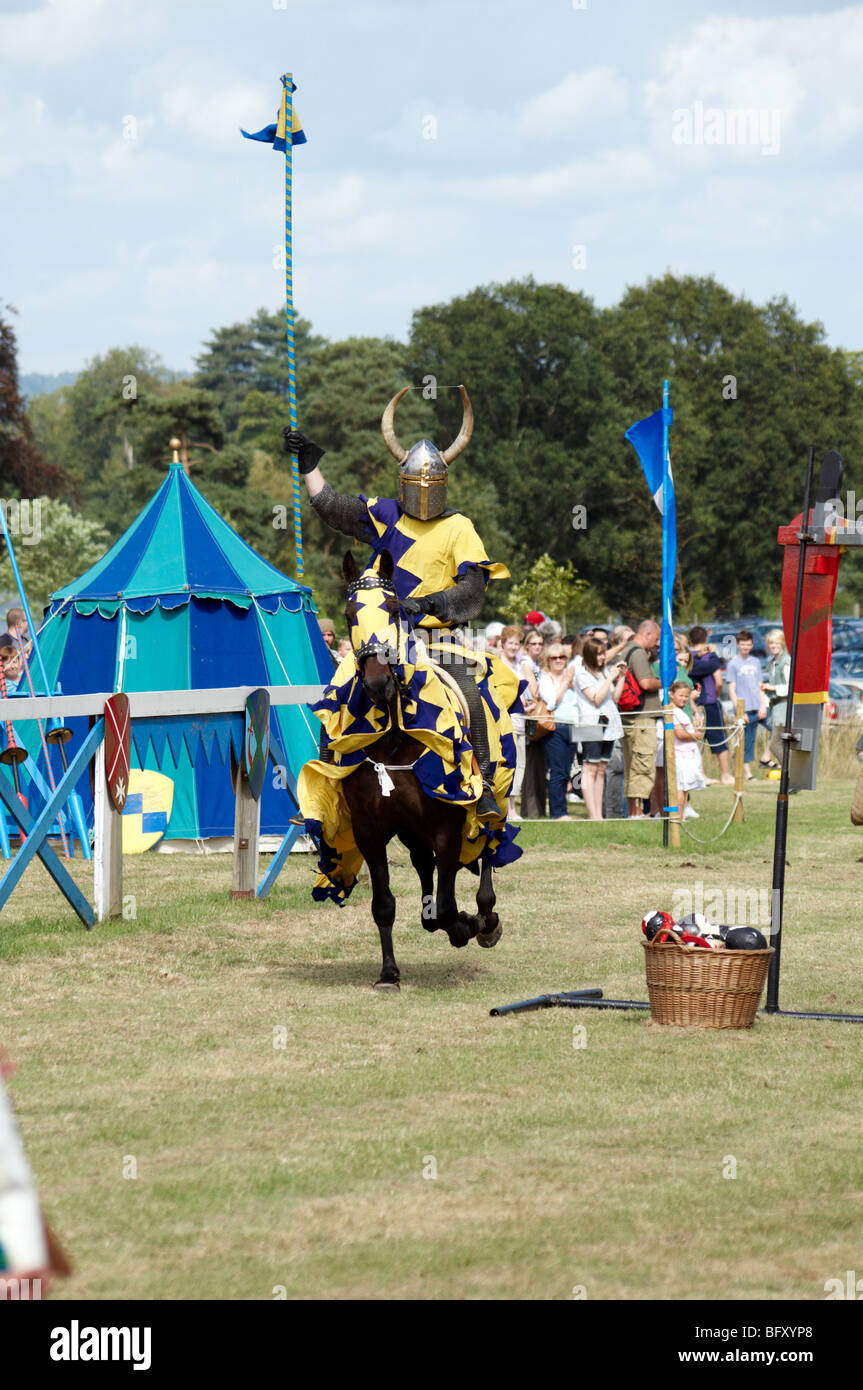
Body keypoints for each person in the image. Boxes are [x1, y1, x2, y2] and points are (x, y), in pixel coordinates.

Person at [285, 385, 509, 819]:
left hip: (436, 641)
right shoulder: (386, 514)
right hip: (384, 639)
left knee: (469, 693)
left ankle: (480, 786)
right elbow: (334, 507)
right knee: (339, 693)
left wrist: (424, 605)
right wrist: (309, 465)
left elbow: (472, 590)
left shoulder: (460, 526)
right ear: (403, 484)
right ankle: (329, 793)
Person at [573, 637, 626, 819]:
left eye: (604, 653)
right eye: (599, 654)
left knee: (602, 768)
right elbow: (595, 698)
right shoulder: (581, 674)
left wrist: (621, 678)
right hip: (589, 723)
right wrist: (610, 677)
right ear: (589, 655)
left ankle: (599, 815)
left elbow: (615, 697)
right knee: (590, 768)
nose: (603, 657)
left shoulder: (603, 674)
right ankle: (592, 814)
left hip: (608, 724)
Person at [619, 620, 662, 819]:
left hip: (634, 718)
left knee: (633, 763)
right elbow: (645, 683)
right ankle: (636, 812)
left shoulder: (627, 651)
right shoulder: (637, 653)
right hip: (642, 719)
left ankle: (634, 811)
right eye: (655, 639)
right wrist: (665, 683)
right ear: (647, 634)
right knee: (641, 764)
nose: (657, 644)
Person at [689, 626, 734, 786]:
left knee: (697, 741)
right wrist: (714, 694)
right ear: (706, 639)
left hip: (693, 703)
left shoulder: (686, 658)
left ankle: (701, 775)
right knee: (720, 739)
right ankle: (725, 775)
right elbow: (719, 681)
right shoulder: (710, 658)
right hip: (710, 703)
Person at [538, 643, 577, 820]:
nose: (559, 661)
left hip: (572, 727)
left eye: (562, 657)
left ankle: (563, 808)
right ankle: (557, 812)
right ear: (548, 660)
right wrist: (566, 681)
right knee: (558, 771)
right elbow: (552, 702)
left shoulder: (572, 678)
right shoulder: (546, 678)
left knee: (567, 772)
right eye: (554, 658)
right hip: (556, 728)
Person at [660, 679, 707, 819]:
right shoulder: (673, 712)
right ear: (672, 695)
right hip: (680, 756)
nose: (684, 699)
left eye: (686, 696)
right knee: (680, 788)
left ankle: (681, 817)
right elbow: (679, 734)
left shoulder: (680, 712)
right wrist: (695, 735)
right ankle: (677, 818)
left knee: (686, 788)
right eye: (681, 695)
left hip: (687, 754)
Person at [726, 629, 767, 780]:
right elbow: (731, 689)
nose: (745, 647)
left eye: (748, 644)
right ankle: (747, 773)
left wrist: (763, 705)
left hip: (758, 706)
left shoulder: (755, 662)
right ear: (738, 645)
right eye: (743, 644)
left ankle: (766, 757)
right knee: (746, 741)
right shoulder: (733, 664)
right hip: (744, 708)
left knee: (775, 728)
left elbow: (760, 684)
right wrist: (739, 711)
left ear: (752, 645)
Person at [498, 625, 526, 820]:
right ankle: (503, 806)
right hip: (502, 722)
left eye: (517, 643)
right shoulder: (497, 664)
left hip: (520, 721)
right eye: (511, 643)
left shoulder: (522, 665)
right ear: (503, 644)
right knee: (505, 763)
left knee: (519, 764)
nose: (514, 647)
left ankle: (513, 808)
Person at [519, 628, 546, 818]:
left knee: (538, 766)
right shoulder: (526, 663)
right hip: (528, 718)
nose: (537, 647)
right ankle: (530, 810)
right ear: (527, 645)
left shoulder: (537, 664)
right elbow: (534, 691)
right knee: (529, 767)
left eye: (540, 644)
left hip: (536, 717)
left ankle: (537, 810)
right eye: (533, 643)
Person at [761, 628, 790, 768]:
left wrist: (773, 688)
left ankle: (789, 771)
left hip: (784, 708)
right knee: (778, 743)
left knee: (774, 744)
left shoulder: (786, 661)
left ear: (782, 643)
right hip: (776, 707)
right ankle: (788, 772)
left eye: (777, 643)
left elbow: (791, 687)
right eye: (771, 643)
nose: (774, 646)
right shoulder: (772, 662)